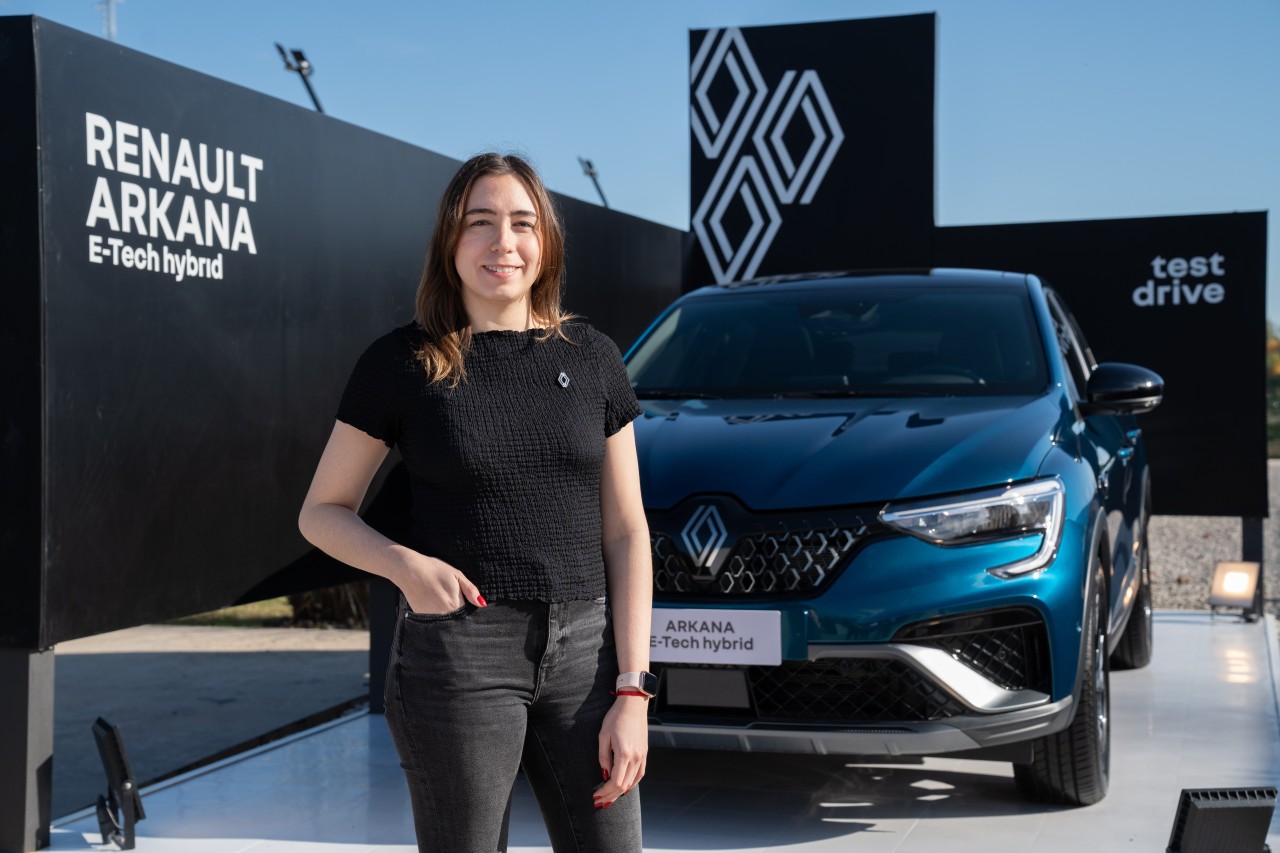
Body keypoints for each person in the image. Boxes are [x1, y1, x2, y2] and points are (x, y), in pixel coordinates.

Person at [297, 152, 653, 852]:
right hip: (462, 653)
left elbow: (627, 532)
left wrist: (633, 690)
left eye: (522, 222)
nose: (503, 243)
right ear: (449, 242)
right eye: (479, 223)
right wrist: (404, 565)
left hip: (588, 654)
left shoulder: (593, 358)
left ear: (545, 240)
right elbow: (322, 511)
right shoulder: (401, 364)